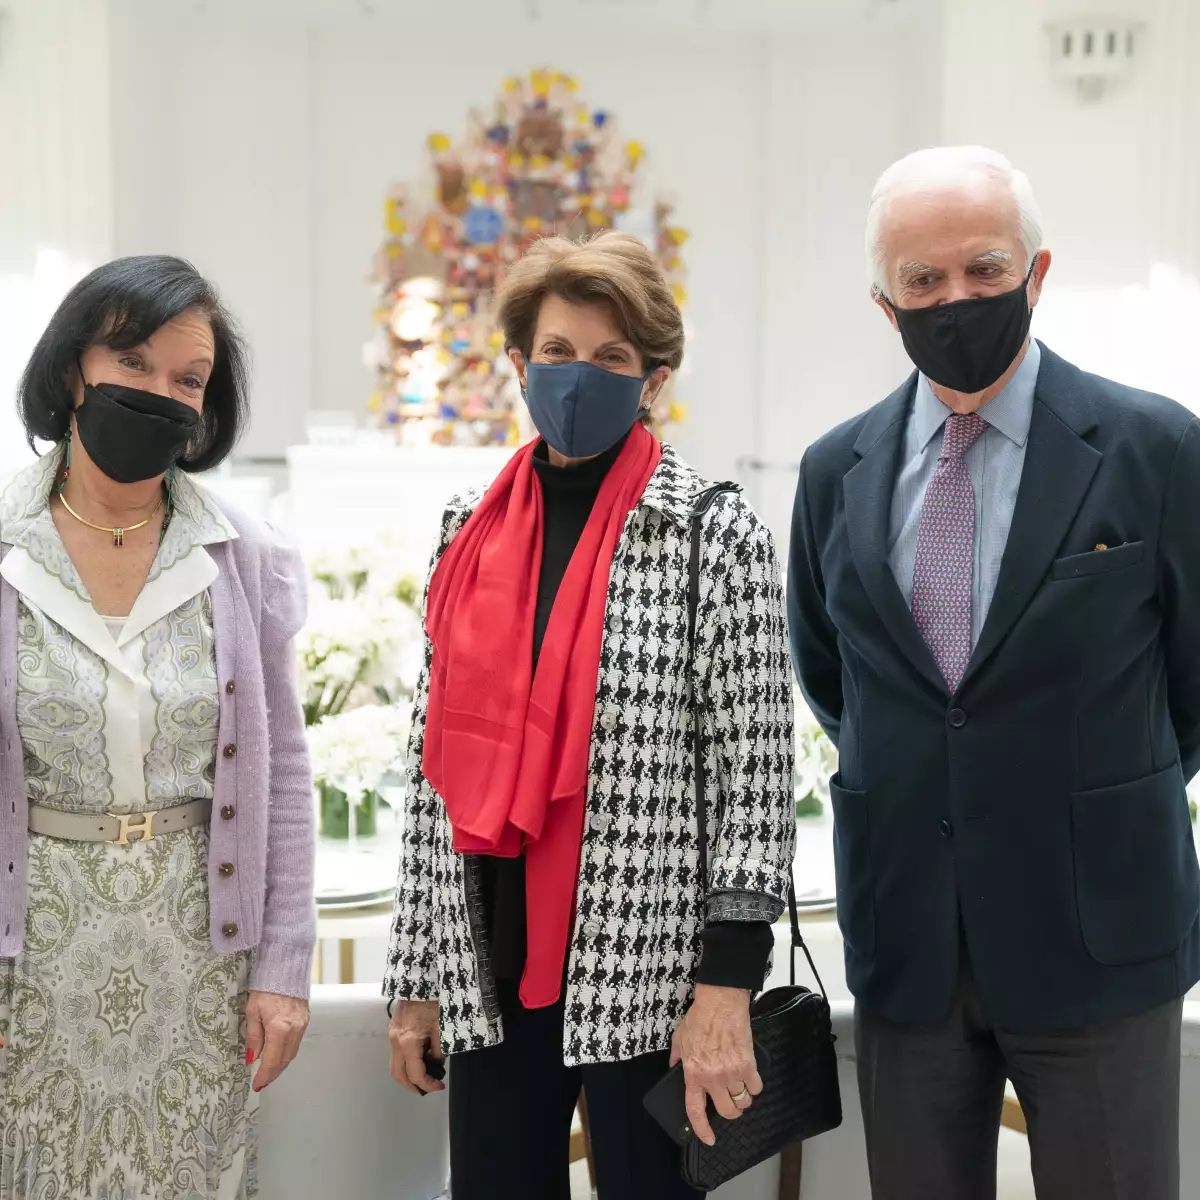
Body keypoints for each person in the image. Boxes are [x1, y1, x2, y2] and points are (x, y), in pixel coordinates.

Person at [789, 144, 1200, 1200]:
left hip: (1100, 934)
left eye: (984, 269)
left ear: (1038, 271)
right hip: (908, 943)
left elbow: (1192, 684)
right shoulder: (836, 470)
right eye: (923, 282)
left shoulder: (1157, 449)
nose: (956, 299)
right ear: (886, 305)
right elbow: (834, 674)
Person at [384, 231, 795, 1198]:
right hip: (488, 962)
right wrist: (416, 977)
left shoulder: (710, 529)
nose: (582, 376)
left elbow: (759, 776)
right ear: (520, 367)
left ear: (653, 379)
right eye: (560, 353)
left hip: (647, 977)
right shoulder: (467, 528)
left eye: (613, 359)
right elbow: (425, 766)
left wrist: (726, 987)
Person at [1, 255, 316, 1197]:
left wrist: (284, 966)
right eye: (133, 364)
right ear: (73, 371)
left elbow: (284, 773)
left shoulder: (242, 556)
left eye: (188, 380)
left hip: (197, 963)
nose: (161, 395)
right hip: (32, 961)